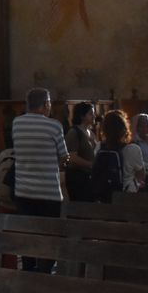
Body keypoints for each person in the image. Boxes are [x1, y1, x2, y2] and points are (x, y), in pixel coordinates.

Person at [12, 87, 69, 271]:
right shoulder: (54, 126)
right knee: (49, 235)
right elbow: (63, 156)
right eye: (49, 102)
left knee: (28, 235)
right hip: (48, 192)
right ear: (46, 104)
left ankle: (28, 271)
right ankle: (44, 272)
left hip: (23, 191)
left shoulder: (17, 123)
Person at [97, 110, 145, 197]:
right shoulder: (133, 149)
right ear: (124, 128)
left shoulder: (99, 147)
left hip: (105, 193)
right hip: (127, 192)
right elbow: (141, 174)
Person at [64, 102, 97, 201]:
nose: (94, 116)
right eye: (91, 113)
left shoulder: (91, 133)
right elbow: (71, 157)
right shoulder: (74, 132)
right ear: (82, 116)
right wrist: (90, 164)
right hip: (78, 178)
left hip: (89, 177)